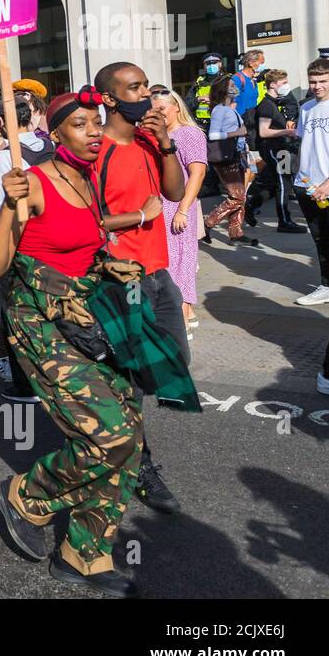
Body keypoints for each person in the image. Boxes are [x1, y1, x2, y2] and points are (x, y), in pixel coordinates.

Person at [0, 87, 195, 598]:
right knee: (111, 435)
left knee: (128, 434)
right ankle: (27, 496)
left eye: (96, 121)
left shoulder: (87, 176)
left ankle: (84, 553)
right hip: (42, 325)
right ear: (54, 135)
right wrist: (10, 209)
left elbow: (99, 229)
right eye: (80, 124)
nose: (94, 131)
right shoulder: (31, 181)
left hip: (89, 317)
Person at [92, 61, 187, 515]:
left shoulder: (151, 140)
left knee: (171, 366)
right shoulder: (96, 151)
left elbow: (173, 193)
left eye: (147, 86)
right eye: (134, 88)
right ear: (109, 99)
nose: (145, 94)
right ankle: (137, 466)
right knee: (128, 382)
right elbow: (87, 223)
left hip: (159, 274)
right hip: (119, 280)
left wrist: (166, 144)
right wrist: (139, 218)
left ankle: (109, 440)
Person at [0, 97, 53, 402]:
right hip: (47, 240)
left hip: (17, 242)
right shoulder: (50, 148)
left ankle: (26, 385)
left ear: (1, 121)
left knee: (15, 314)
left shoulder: (4, 158)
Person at [149, 86, 208, 333]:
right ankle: (185, 317)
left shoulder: (189, 134)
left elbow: (198, 173)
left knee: (180, 266)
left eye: (161, 109)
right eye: (153, 110)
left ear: (176, 106)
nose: (158, 114)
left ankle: (181, 328)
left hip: (177, 210)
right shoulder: (155, 135)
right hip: (160, 211)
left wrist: (183, 210)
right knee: (168, 267)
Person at [294, 57, 329, 307]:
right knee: (320, 238)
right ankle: (328, 285)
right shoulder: (306, 107)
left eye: (322, 81)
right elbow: (304, 142)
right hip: (306, 183)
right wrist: (300, 174)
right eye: (312, 81)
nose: (317, 86)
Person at [250, 69, 305, 233]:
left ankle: (251, 205)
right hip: (274, 149)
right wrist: (287, 132)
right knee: (283, 184)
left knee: (277, 184)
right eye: (283, 83)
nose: (287, 86)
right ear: (273, 85)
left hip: (280, 148)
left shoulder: (275, 103)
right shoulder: (267, 105)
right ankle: (284, 221)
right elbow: (263, 132)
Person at [203, 76, 255, 246]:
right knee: (237, 197)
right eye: (231, 85)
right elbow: (213, 135)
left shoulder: (229, 108)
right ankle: (207, 224)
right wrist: (237, 133)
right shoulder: (220, 109)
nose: (235, 87)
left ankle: (236, 234)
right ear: (222, 89)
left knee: (240, 196)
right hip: (225, 158)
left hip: (235, 155)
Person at [191, 54, 222, 133]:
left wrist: (213, 101)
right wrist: (198, 99)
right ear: (204, 66)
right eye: (208, 64)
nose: (211, 66)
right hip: (202, 125)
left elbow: (235, 101)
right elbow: (187, 103)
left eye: (214, 63)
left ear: (220, 64)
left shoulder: (227, 80)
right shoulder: (198, 82)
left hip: (222, 123)